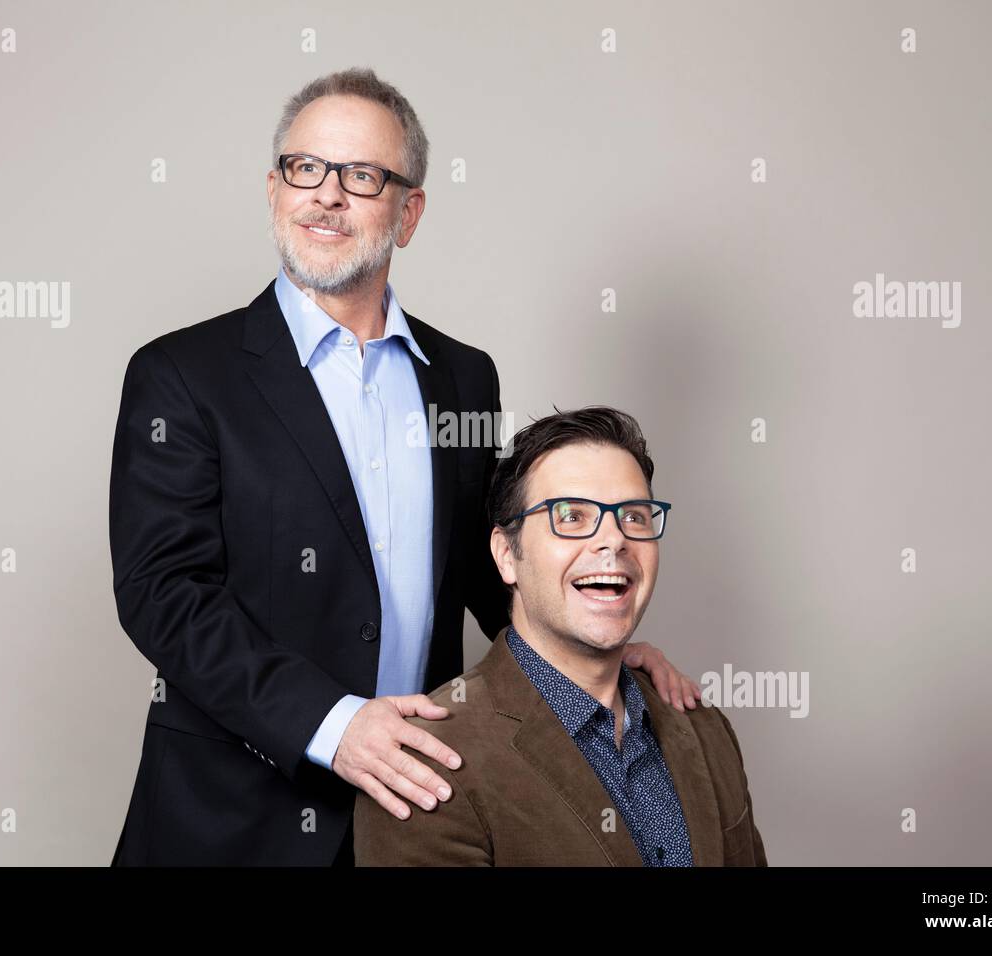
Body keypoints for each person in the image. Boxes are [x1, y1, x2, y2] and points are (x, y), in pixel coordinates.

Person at [108, 70, 702, 865]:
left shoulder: (463, 377)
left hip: (424, 805)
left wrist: (589, 642)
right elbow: (164, 595)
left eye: (361, 176)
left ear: (409, 211)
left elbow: (485, 568)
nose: (326, 196)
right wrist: (333, 723)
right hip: (231, 817)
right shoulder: (181, 374)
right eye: (304, 168)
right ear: (274, 188)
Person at [355, 407, 767, 866]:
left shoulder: (706, 729)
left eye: (633, 516)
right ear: (507, 555)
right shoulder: (422, 765)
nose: (613, 540)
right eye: (570, 516)